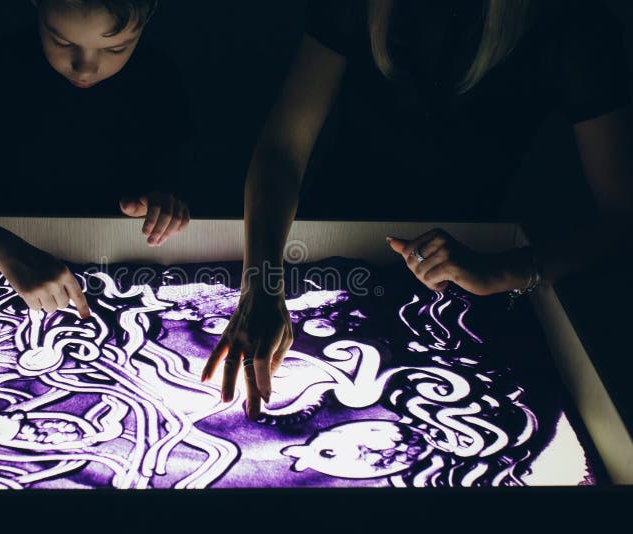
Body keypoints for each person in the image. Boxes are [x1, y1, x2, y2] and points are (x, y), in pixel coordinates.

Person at [202, 0, 633, 421]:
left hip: (471, 267)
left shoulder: (572, 25)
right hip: (323, 246)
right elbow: (282, 150)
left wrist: (504, 269)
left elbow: (621, 219)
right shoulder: (357, 7)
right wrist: (260, 284)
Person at [0, 0, 193, 318]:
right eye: (62, 41)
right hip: (3, 266)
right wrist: (9, 254)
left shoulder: (157, 77)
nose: (84, 67)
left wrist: (160, 207)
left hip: (120, 266)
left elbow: (171, 180)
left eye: (115, 48)